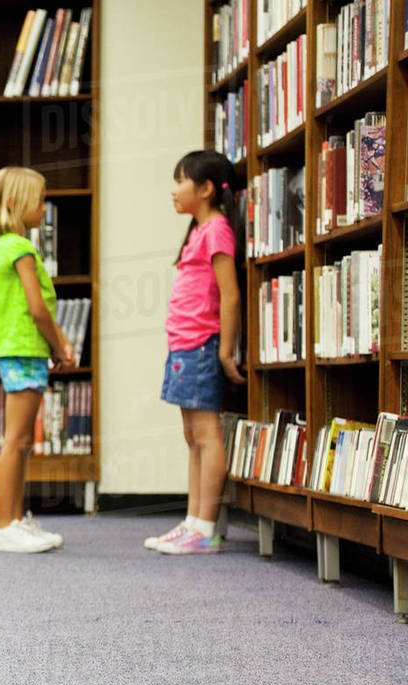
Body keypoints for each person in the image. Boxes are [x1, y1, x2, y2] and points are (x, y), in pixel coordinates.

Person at [145, 149, 245, 555]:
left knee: (206, 434)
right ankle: (192, 521)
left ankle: (205, 528)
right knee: (192, 436)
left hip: (203, 346)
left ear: (205, 189)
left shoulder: (217, 229)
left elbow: (231, 295)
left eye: (180, 180)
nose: (173, 190)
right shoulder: (198, 232)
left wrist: (224, 352)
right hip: (184, 346)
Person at [0, 166, 75, 553]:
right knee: (16, 440)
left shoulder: (9, 244)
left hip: (23, 349)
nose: (44, 206)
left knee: (21, 443)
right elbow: (38, 308)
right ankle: (5, 525)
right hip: (23, 347)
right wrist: (62, 344)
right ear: (14, 204)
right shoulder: (20, 247)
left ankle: (15, 519)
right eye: (39, 199)